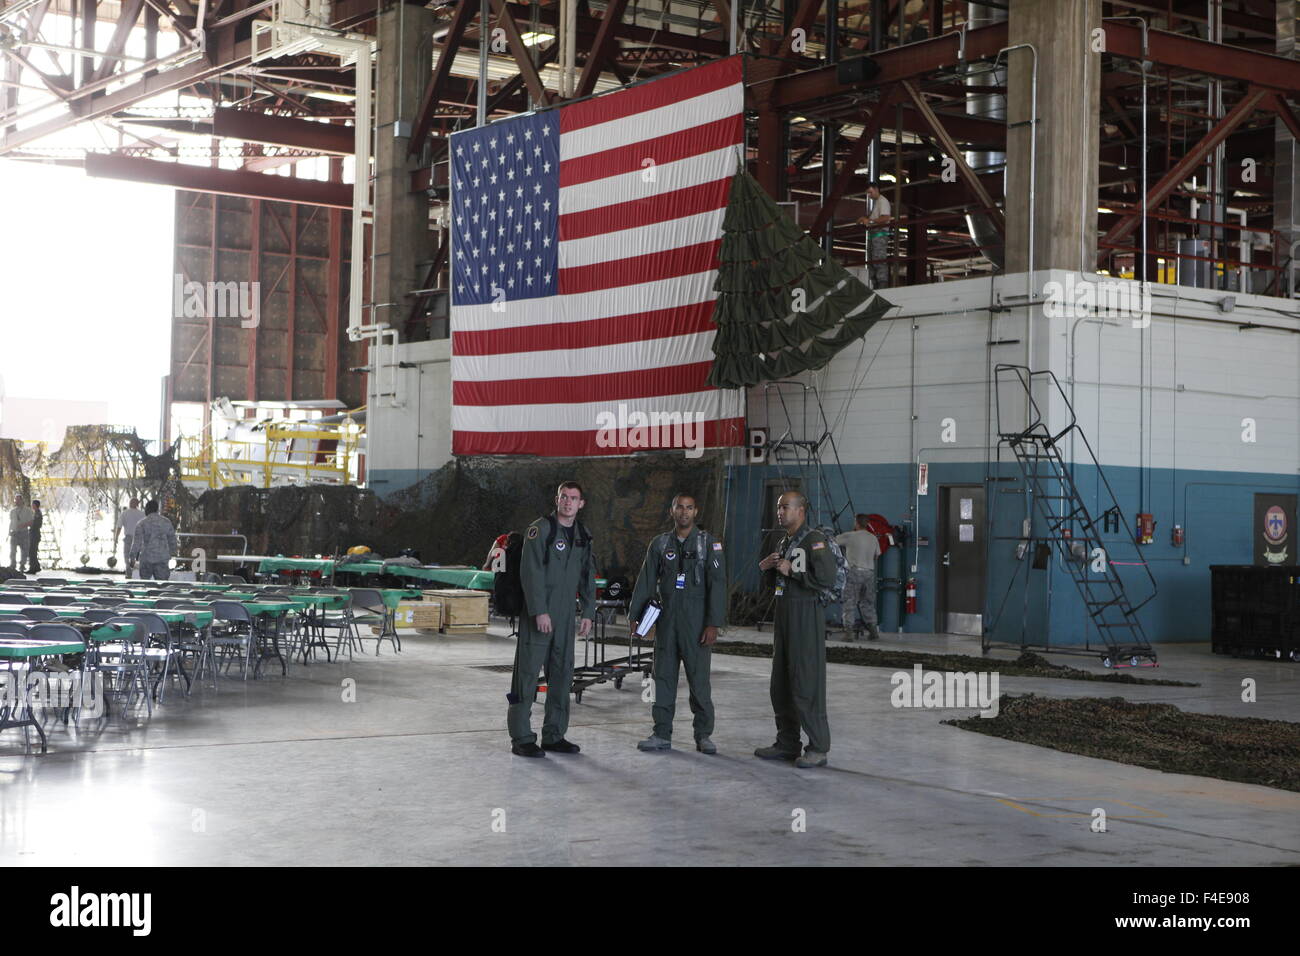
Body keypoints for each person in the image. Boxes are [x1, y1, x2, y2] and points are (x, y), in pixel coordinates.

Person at [629, 493, 727, 755]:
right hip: (667, 623)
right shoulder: (660, 545)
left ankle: (703, 735)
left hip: (696, 625)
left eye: (689, 508)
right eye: (679, 507)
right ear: (671, 511)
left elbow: (717, 585)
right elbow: (646, 581)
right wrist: (636, 617)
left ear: (696, 512)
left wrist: (713, 623)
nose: (684, 512)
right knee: (662, 679)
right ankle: (661, 733)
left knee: (699, 681)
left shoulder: (709, 544)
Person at [507, 481, 596, 758]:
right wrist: (539, 610)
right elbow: (529, 572)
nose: (568, 502)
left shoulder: (582, 535)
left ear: (581, 504)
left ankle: (554, 735)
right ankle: (521, 737)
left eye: (574, 498)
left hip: (567, 614)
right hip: (539, 614)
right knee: (527, 676)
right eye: (564, 497)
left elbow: (587, 576)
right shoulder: (540, 530)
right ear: (556, 499)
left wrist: (588, 612)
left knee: (562, 675)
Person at [756, 491, 835, 769]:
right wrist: (768, 569)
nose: (780, 512)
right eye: (778, 507)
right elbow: (780, 580)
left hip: (805, 614)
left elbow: (826, 578)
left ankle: (818, 747)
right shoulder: (785, 540)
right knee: (781, 684)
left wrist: (794, 572)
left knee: (805, 682)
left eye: (785, 507)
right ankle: (787, 743)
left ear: (801, 510)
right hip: (784, 614)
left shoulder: (814, 540)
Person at [836, 513, 881, 641]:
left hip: (854, 572)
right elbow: (877, 555)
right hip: (869, 573)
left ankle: (848, 633)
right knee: (868, 603)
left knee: (849, 601)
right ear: (867, 524)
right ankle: (873, 631)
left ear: (856, 523)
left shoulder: (850, 536)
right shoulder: (873, 538)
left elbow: (833, 542)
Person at [129, 499, 178, 581]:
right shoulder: (166, 522)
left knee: (145, 585)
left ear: (147, 509)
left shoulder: (141, 523)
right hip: (162, 559)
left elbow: (137, 543)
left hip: (146, 560)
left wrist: (132, 557)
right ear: (157, 509)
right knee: (162, 585)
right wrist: (173, 553)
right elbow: (172, 539)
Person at [857, 181, 892, 289]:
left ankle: (881, 285)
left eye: (870, 192)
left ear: (876, 189)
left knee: (878, 261)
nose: (869, 195)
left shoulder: (883, 201)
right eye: (868, 193)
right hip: (874, 236)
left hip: (879, 235)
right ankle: (876, 285)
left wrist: (870, 221)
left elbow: (886, 218)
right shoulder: (878, 202)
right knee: (873, 262)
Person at [118, 498, 145, 574]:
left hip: (128, 537)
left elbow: (119, 526)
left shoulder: (125, 513)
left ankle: (129, 572)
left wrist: (116, 537)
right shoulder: (142, 514)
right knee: (137, 555)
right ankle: (136, 572)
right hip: (139, 538)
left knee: (127, 555)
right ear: (137, 504)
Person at [8, 493, 33, 571]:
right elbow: (11, 522)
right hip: (14, 533)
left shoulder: (28, 511)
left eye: (18, 500)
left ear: (22, 500)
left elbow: (31, 522)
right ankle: (13, 564)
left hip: (23, 533)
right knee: (12, 551)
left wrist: (22, 525)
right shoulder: (12, 511)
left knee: (24, 550)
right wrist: (9, 531)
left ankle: (22, 565)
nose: (17, 501)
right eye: (16, 500)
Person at [27, 499, 43, 574]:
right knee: (33, 551)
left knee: (32, 551)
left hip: (35, 535)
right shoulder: (36, 513)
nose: (32, 506)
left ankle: (33, 568)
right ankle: (36, 566)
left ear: (35, 505)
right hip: (34, 534)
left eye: (33, 504)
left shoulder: (37, 514)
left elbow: (36, 525)